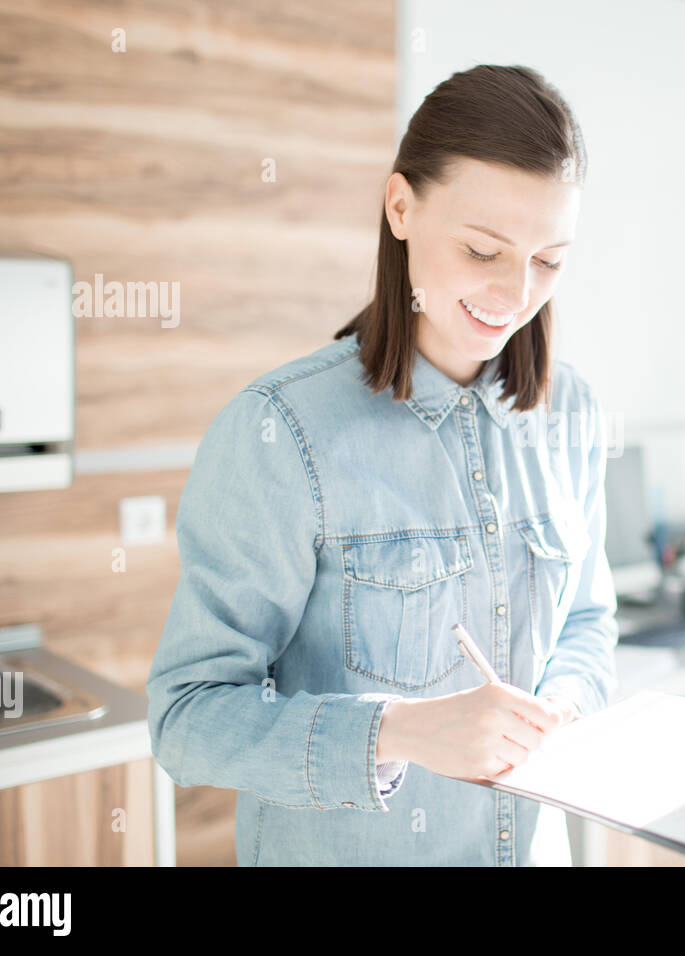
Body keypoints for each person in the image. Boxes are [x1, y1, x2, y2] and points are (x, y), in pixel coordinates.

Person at [146, 64, 619, 866]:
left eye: (549, 261)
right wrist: (397, 732)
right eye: (482, 249)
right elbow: (187, 718)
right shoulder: (282, 432)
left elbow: (586, 623)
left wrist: (563, 708)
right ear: (400, 208)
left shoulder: (571, 414)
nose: (514, 293)